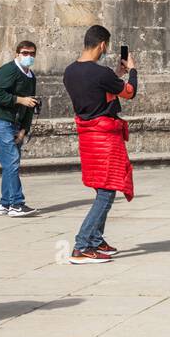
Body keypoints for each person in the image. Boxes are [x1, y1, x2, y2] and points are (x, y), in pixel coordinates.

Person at [62, 25, 137, 264]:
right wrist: (132, 71)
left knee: (102, 188)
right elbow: (129, 92)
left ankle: (95, 239)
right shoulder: (101, 73)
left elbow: (98, 90)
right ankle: (82, 245)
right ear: (102, 45)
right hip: (105, 137)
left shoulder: (69, 72)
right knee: (106, 191)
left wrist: (114, 74)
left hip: (87, 135)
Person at [0, 39, 40, 217]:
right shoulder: (9, 70)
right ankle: (17, 204)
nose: (28, 57)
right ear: (17, 54)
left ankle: (4, 203)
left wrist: (24, 129)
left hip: (15, 123)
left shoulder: (30, 76)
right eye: (25, 53)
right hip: (0, 120)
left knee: (10, 164)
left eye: (32, 54)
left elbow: (30, 104)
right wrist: (19, 99)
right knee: (12, 161)